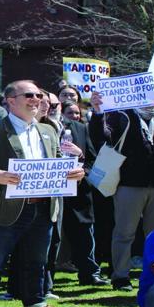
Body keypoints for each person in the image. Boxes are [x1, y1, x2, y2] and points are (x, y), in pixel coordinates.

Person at [0, 79, 83, 307]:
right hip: (5, 208)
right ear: (11, 100)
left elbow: (57, 160)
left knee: (37, 261)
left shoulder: (48, 130)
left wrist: (73, 173)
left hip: (43, 207)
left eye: (38, 95)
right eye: (29, 95)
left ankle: (35, 306)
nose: (36, 100)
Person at [90, 85, 154, 290]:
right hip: (129, 183)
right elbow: (102, 136)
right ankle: (120, 276)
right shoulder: (123, 115)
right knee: (124, 232)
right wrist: (98, 113)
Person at [42, 89, 101, 287]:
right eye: (47, 105)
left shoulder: (79, 128)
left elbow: (92, 159)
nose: (51, 108)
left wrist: (80, 157)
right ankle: (46, 280)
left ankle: (89, 273)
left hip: (77, 191)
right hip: (48, 192)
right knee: (50, 238)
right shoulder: (36, 128)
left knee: (83, 235)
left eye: (55, 105)